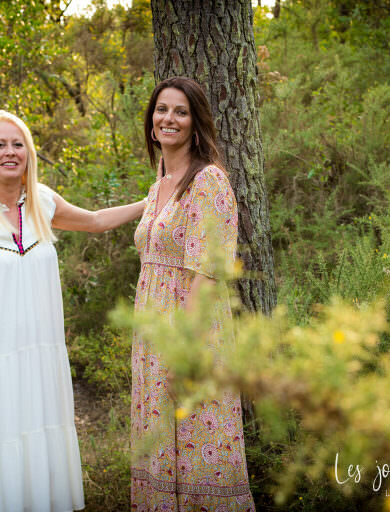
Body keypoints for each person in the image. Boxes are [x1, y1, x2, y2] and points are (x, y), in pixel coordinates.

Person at [0, 110, 145, 512]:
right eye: (0, 144)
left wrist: (151, 199)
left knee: (37, 438)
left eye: (18, 144)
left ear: (30, 154)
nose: (9, 152)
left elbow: (97, 220)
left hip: (39, 358)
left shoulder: (43, 202)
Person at [130, 77, 255, 511]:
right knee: (162, 444)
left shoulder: (209, 182)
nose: (169, 118)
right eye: (161, 110)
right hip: (152, 339)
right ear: (151, 122)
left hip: (191, 336)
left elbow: (208, 274)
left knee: (199, 442)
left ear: (195, 123)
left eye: (180, 111)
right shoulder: (159, 185)